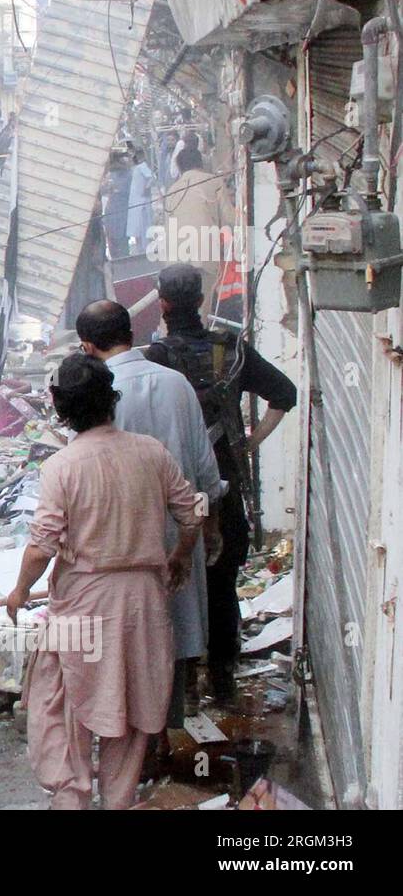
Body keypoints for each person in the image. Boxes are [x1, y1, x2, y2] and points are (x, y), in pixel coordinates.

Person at [6, 352, 202, 810]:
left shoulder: (63, 466)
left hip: (84, 605)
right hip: (143, 604)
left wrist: (18, 590)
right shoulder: (151, 451)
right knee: (131, 709)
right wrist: (180, 557)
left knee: (62, 704)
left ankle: (71, 798)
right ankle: (118, 800)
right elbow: (192, 513)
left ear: (62, 409)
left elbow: (42, 546)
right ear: (111, 400)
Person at [145, 264, 296, 702]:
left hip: (173, 486)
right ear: (202, 300)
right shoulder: (231, 350)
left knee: (174, 578)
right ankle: (223, 675)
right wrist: (249, 443)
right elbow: (283, 393)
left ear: (164, 304)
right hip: (224, 481)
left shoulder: (155, 359)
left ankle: (184, 678)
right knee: (223, 577)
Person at [77, 300, 223, 739]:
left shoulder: (101, 391)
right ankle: (167, 729)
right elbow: (204, 465)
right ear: (132, 333)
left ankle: (136, 741)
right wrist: (207, 528)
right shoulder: (177, 384)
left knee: (129, 640)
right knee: (175, 632)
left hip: (124, 534)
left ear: (87, 346)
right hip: (182, 528)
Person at [163, 146, 227, 313]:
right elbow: (229, 220)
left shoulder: (172, 190)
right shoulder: (213, 181)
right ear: (201, 163)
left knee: (178, 309)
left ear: (180, 168)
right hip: (204, 256)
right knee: (201, 308)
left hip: (176, 259)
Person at [126, 148, 155, 253]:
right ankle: (140, 249)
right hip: (136, 201)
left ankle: (145, 250)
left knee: (143, 227)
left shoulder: (142, 166)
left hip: (141, 202)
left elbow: (151, 177)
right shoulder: (135, 168)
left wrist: (146, 188)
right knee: (137, 228)